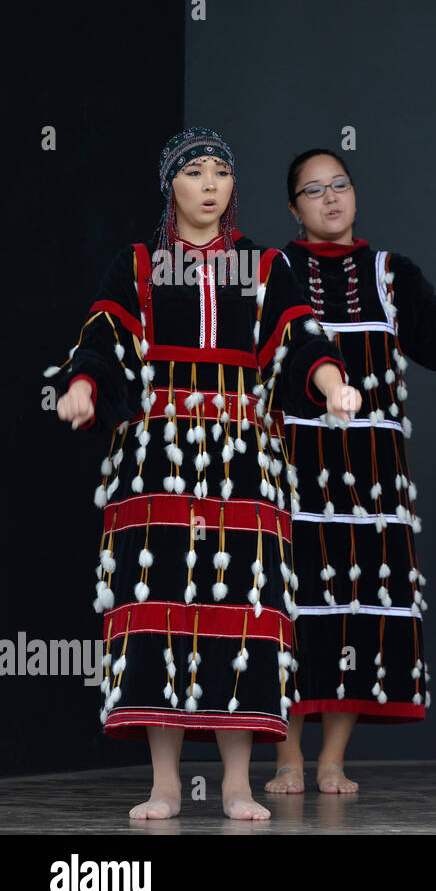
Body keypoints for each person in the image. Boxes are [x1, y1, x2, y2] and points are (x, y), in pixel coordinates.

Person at [48, 128, 360, 820]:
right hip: (158, 455)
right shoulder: (138, 264)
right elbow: (103, 336)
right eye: (195, 172)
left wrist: (332, 381)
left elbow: (297, 333)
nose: (211, 183)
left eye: (221, 170)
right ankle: (163, 782)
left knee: (239, 617)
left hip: (243, 456)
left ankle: (238, 783)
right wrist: (83, 387)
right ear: (172, 187)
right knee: (158, 613)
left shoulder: (261, 264)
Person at [265, 149, 436, 795]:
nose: (331, 198)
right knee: (294, 605)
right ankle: (286, 757)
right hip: (293, 463)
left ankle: (333, 758)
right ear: (294, 208)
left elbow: (435, 332)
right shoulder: (275, 269)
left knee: (357, 606)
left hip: (370, 470)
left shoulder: (391, 272)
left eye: (340, 184)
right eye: (314, 190)